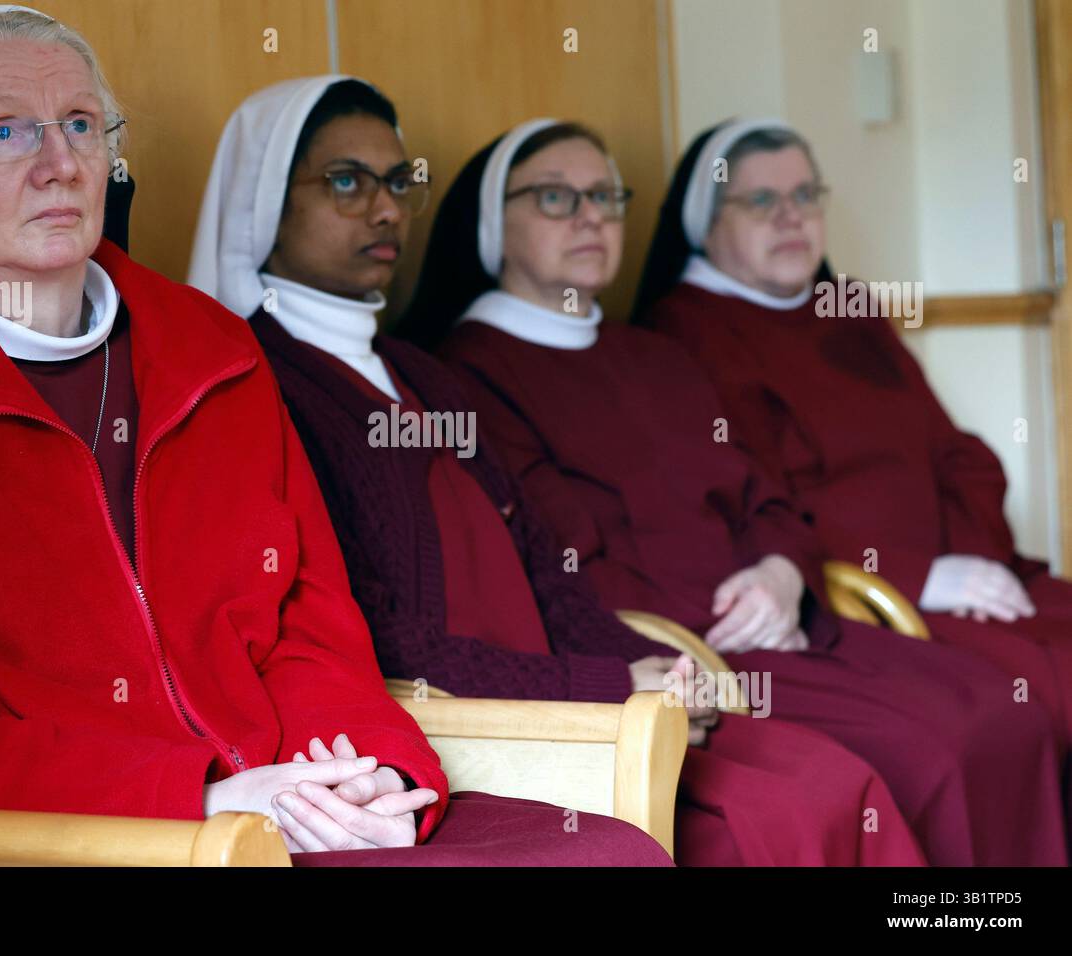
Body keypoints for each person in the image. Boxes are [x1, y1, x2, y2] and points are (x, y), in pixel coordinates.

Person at [0, 6, 670, 867]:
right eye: (6, 131)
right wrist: (197, 799)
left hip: (288, 796)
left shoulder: (209, 347)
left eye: (82, 124)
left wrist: (368, 777)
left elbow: (309, 622)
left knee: (609, 852)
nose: (59, 164)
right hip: (88, 833)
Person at [189, 76, 928, 866]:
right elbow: (376, 641)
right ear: (264, 201)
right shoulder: (259, 382)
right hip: (470, 727)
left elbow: (544, 563)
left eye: (400, 182)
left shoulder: (421, 373)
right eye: (346, 181)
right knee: (761, 816)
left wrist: (639, 668)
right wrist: (606, 685)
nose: (385, 209)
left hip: (566, 691)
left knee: (829, 780)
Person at [404, 117, 1070, 865]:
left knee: (995, 712)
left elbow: (764, 495)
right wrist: (707, 635)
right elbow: (555, 561)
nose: (590, 216)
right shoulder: (467, 370)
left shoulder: (651, 353)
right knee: (924, 750)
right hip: (689, 651)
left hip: (786, 624)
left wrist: (784, 575)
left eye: (604, 196)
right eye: (556, 199)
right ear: (494, 223)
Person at [633, 118, 1072, 747]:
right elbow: (759, 506)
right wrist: (920, 578)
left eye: (807, 196)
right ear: (705, 221)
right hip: (861, 604)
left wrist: (973, 565)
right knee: (1028, 702)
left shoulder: (850, 307)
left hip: (964, 580)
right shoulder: (681, 334)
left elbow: (955, 453)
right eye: (762, 200)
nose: (792, 218)